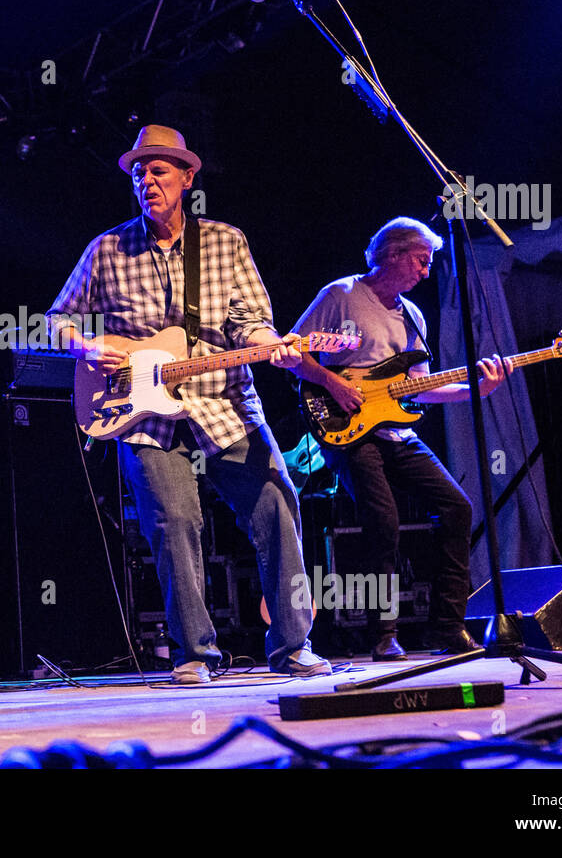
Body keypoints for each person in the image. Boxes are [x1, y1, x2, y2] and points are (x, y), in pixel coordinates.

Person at [49, 124, 329, 683]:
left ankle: (293, 645)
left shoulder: (226, 241)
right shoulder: (106, 249)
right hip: (140, 413)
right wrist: (87, 343)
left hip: (225, 403)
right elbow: (56, 321)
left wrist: (270, 346)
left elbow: (252, 320)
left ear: (187, 177)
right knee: (174, 523)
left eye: (158, 171)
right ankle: (194, 653)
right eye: (138, 173)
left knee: (277, 504)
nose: (146, 180)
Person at [290, 217, 511, 660]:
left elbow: (421, 386)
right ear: (392, 254)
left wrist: (477, 388)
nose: (426, 272)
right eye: (421, 261)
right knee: (383, 523)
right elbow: (293, 352)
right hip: (346, 427)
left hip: (396, 430)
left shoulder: (413, 314)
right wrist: (334, 384)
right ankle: (382, 634)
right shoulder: (341, 294)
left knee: (457, 508)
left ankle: (446, 629)